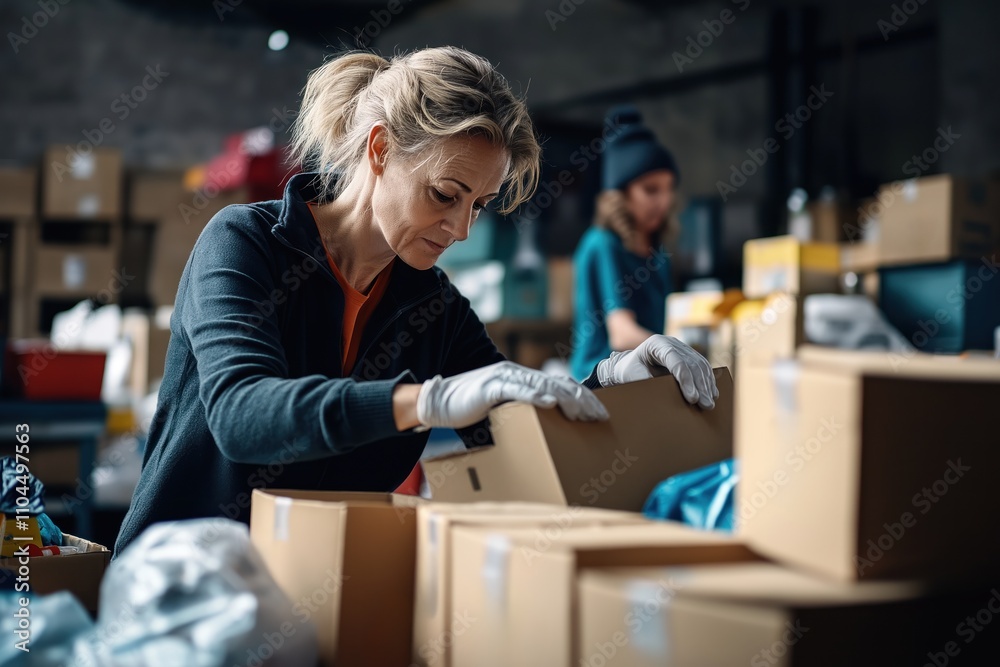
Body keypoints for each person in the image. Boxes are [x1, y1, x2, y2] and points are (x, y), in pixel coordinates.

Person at [115, 48, 717, 555]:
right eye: (445, 194)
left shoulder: (433, 307)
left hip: (311, 597)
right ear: (379, 150)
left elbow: (513, 423)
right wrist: (426, 400)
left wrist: (615, 381)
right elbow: (243, 415)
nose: (459, 230)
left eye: (477, 206)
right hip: (178, 588)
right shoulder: (246, 244)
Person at [569, 106, 683, 384]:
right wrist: (678, 352)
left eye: (668, 189)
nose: (664, 202)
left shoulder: (657, 253)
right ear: (621, 194)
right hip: (600, 384)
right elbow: (622, 333)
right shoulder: (602, 244)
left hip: (643, 378)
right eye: (651, 190)